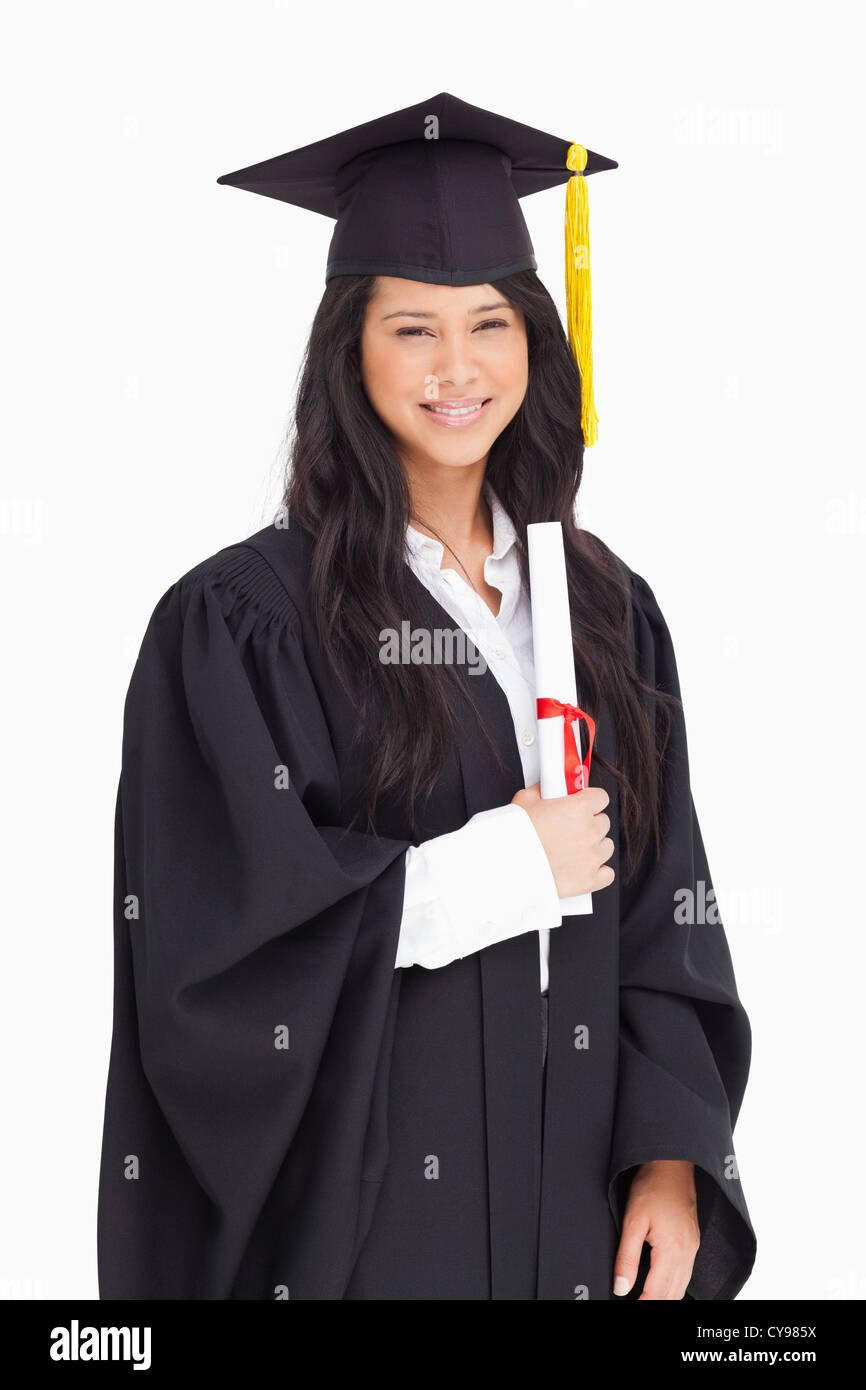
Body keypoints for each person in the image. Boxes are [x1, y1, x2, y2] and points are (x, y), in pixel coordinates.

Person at [96, 92, 756, 1300]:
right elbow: (209, 960)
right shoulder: (243, 621)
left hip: (577, 1222)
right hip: (371, 1237)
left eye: (489, 324)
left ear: (534, 344)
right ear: (348, 349)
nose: (456, 369)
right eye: (411, 329)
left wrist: (671, 1153)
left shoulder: (603, 608)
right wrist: (498, 866)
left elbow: (669, 905)